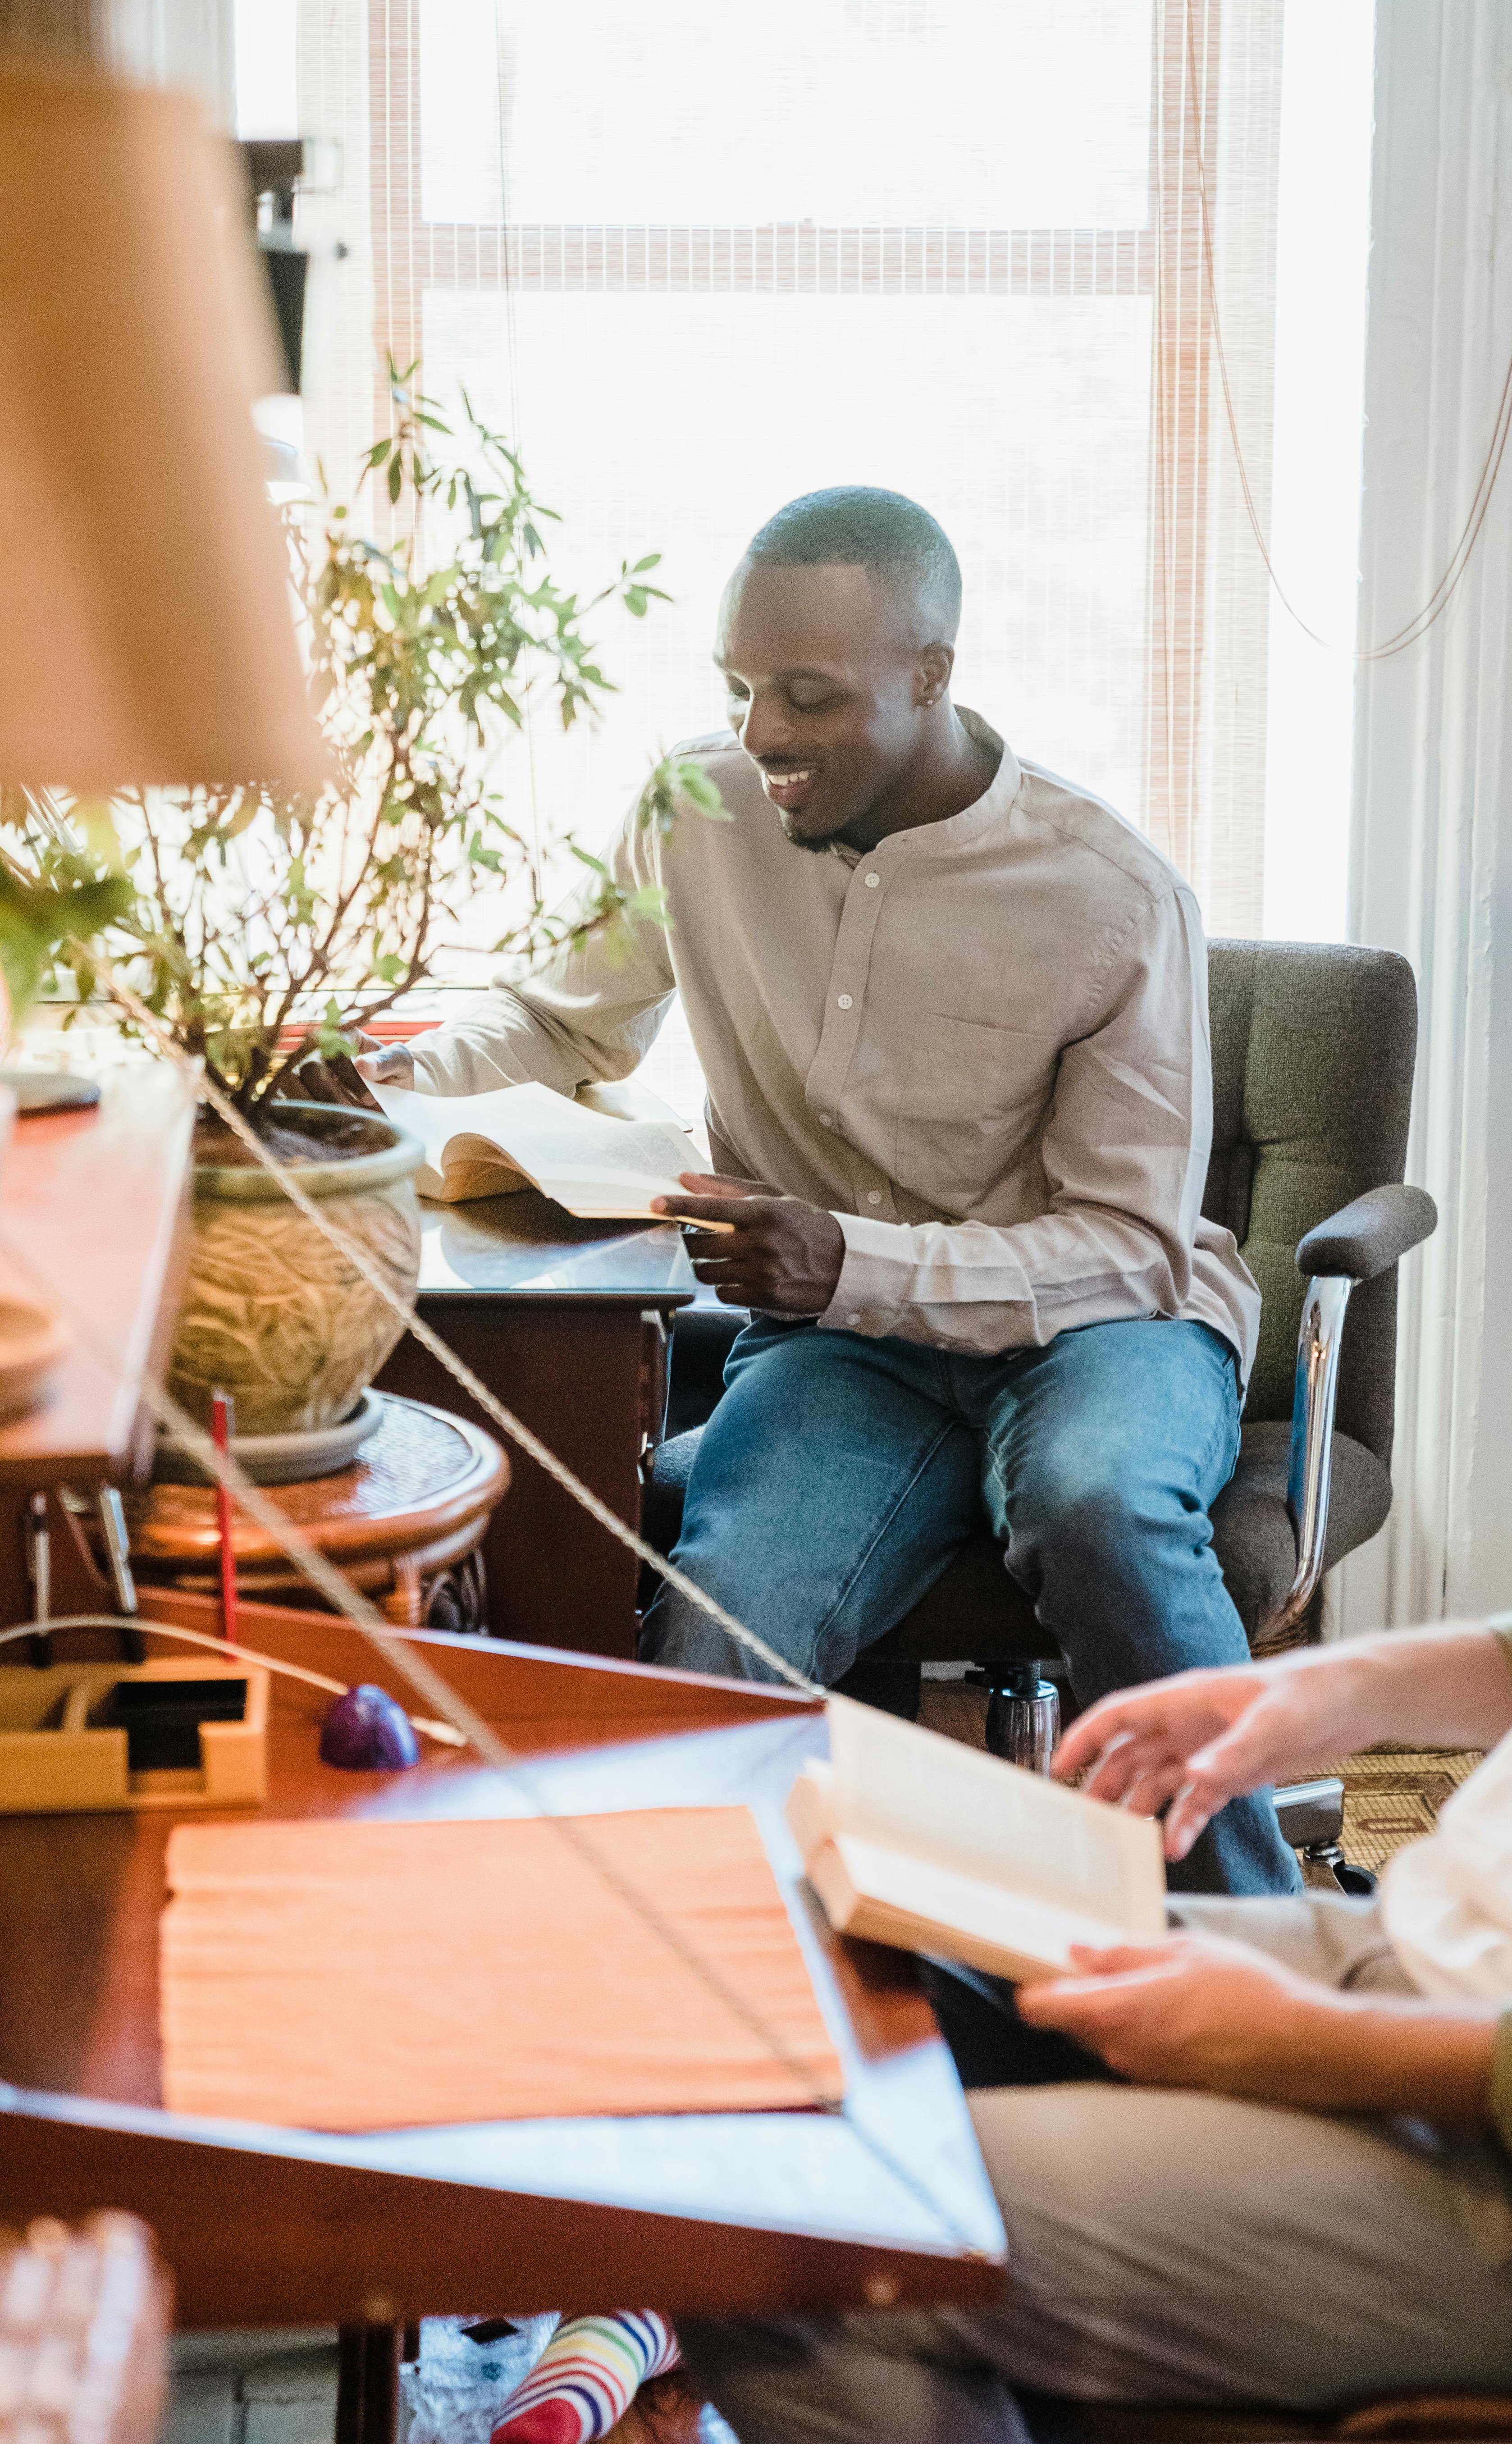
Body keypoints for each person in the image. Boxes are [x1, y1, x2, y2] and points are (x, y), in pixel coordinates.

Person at [672, 668, 1512, 2444]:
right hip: (1430, 1957)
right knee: (844, 1981)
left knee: (782, 2238)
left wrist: (1308, 2054)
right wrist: (1304, 1697)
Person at [351, 484, 1294, 1896]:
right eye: (738, 688)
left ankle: (1260, 1949)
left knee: (1094, 1505)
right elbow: (563, 1025)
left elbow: (1128, 1248)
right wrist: (375, 1076)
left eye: (806, 697)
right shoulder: (696, 815)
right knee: (720, 1621)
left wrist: (847, 1261)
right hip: (847, 1355)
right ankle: (714, 1979)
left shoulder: (1110, 898)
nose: (760, 737)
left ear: (933, 676)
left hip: (1106, 1330)